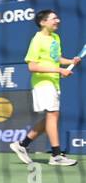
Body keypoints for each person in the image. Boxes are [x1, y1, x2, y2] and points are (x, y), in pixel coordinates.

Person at [10, 9, 79, 166]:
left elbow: (56, 58)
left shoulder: (55, 37)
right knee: (53, 115)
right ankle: (56, 155)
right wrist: (59, 70)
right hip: (42, 82)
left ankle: (22, 144)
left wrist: (70, 62)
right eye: (54, 18)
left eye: (58, 18)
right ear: (43, 22)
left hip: (54, 82)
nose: (58, 21)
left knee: (51, 117)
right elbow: (32, 66)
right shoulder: (37, 40)